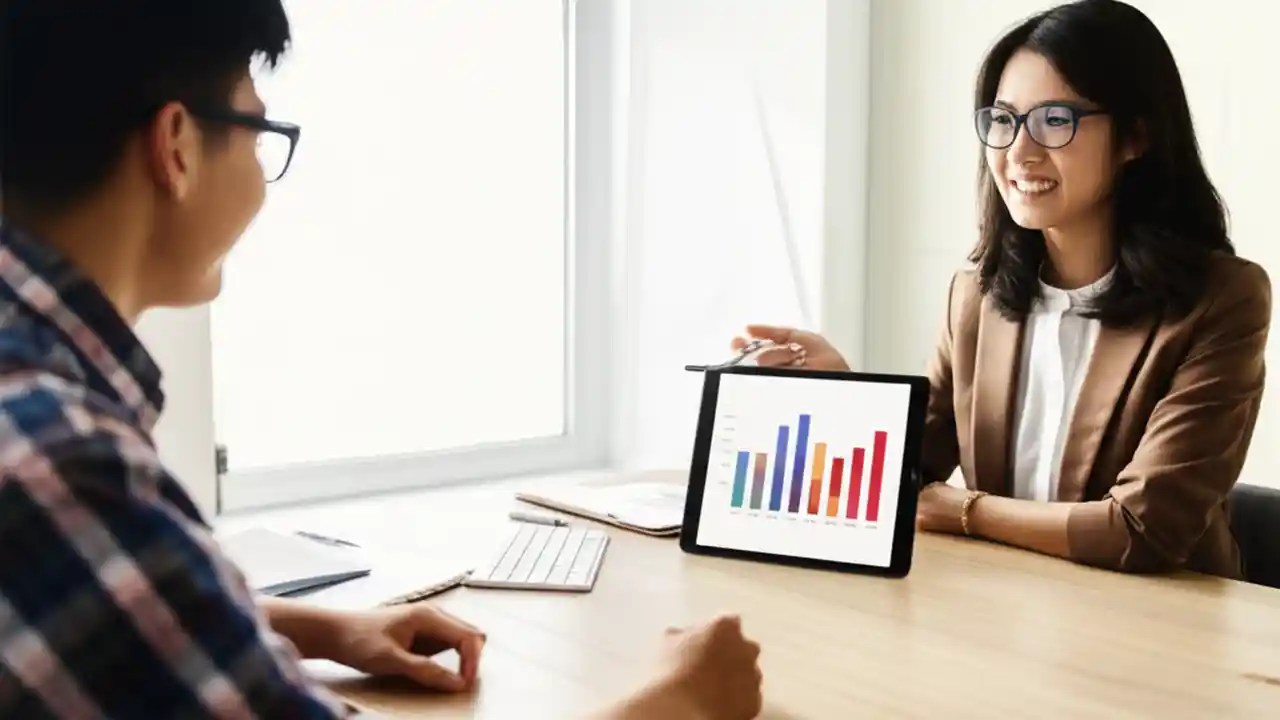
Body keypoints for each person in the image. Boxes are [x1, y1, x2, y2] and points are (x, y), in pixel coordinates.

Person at [0, 1, 763, 717]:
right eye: (260, 135)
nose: (263, 174)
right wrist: (679, 701)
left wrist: (314, 628)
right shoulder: (59, 463)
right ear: (177, 148)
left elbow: (86, 606)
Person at [734, 0, 1269, 578]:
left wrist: (968, 511)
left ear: (1135, 136)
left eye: (1055, 120)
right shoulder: (976, 296)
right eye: (1004, 120)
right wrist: (842, 394)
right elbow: (912, 473)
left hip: (1164, 619)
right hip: (1007, 606)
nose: (1018, 152)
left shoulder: (1222, 299)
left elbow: (1142, 530)